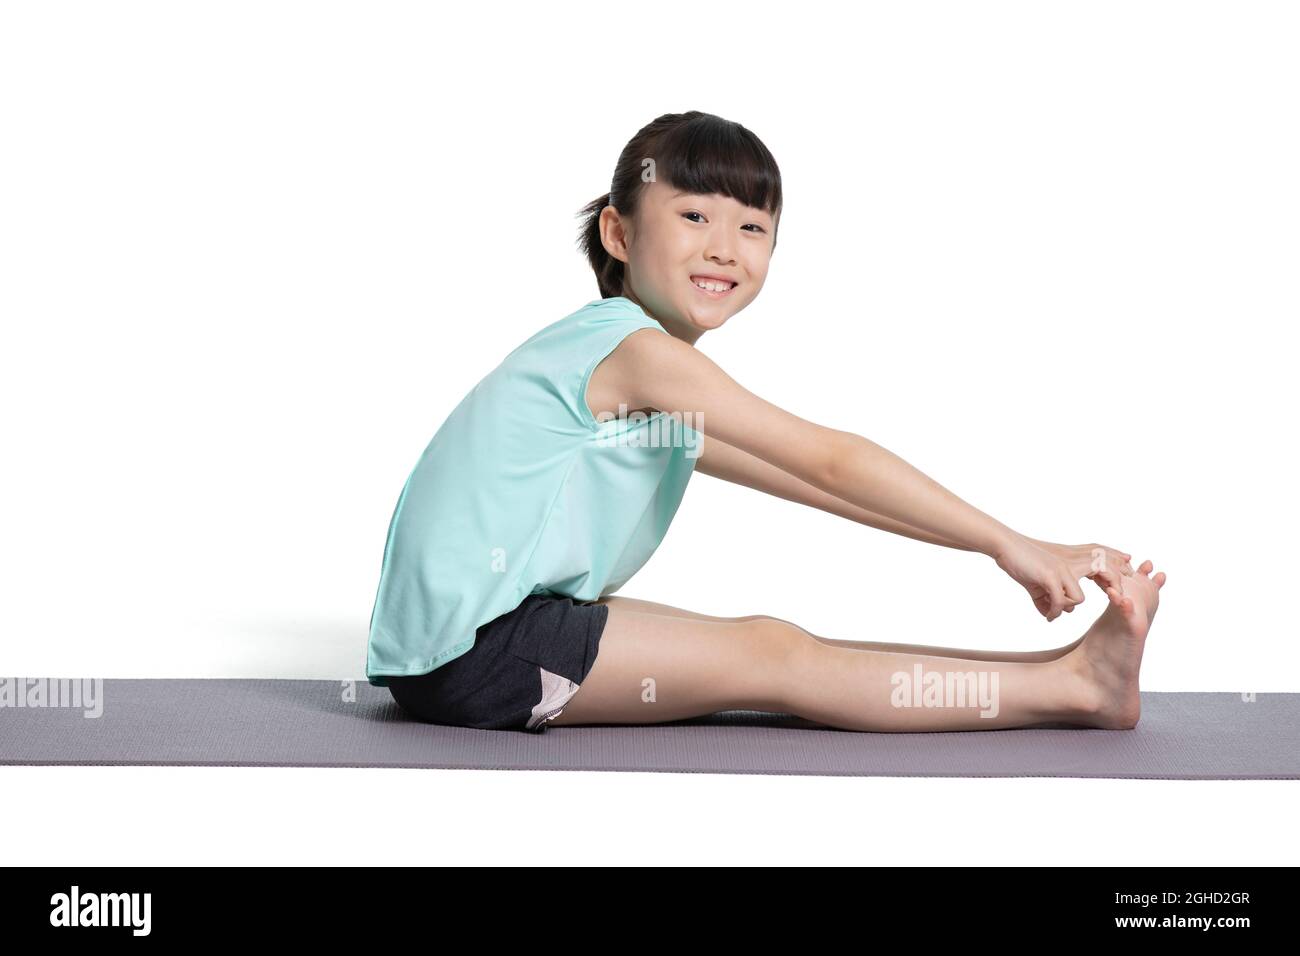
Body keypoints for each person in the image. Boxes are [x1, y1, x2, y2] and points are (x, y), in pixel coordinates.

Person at [367, 110, 1166, 734]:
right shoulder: (635, 353)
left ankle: (1066, 673)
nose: (724, 249)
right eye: (692, 217)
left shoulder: (637, 380)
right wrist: (1005, 547)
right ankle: (1075, 690)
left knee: (779, 643)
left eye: (751, 227)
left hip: (501, 628)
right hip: (472, 657)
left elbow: (816, 487)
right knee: (770, 655)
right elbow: (829, 460)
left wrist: (1026, 541)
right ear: (618, 232)